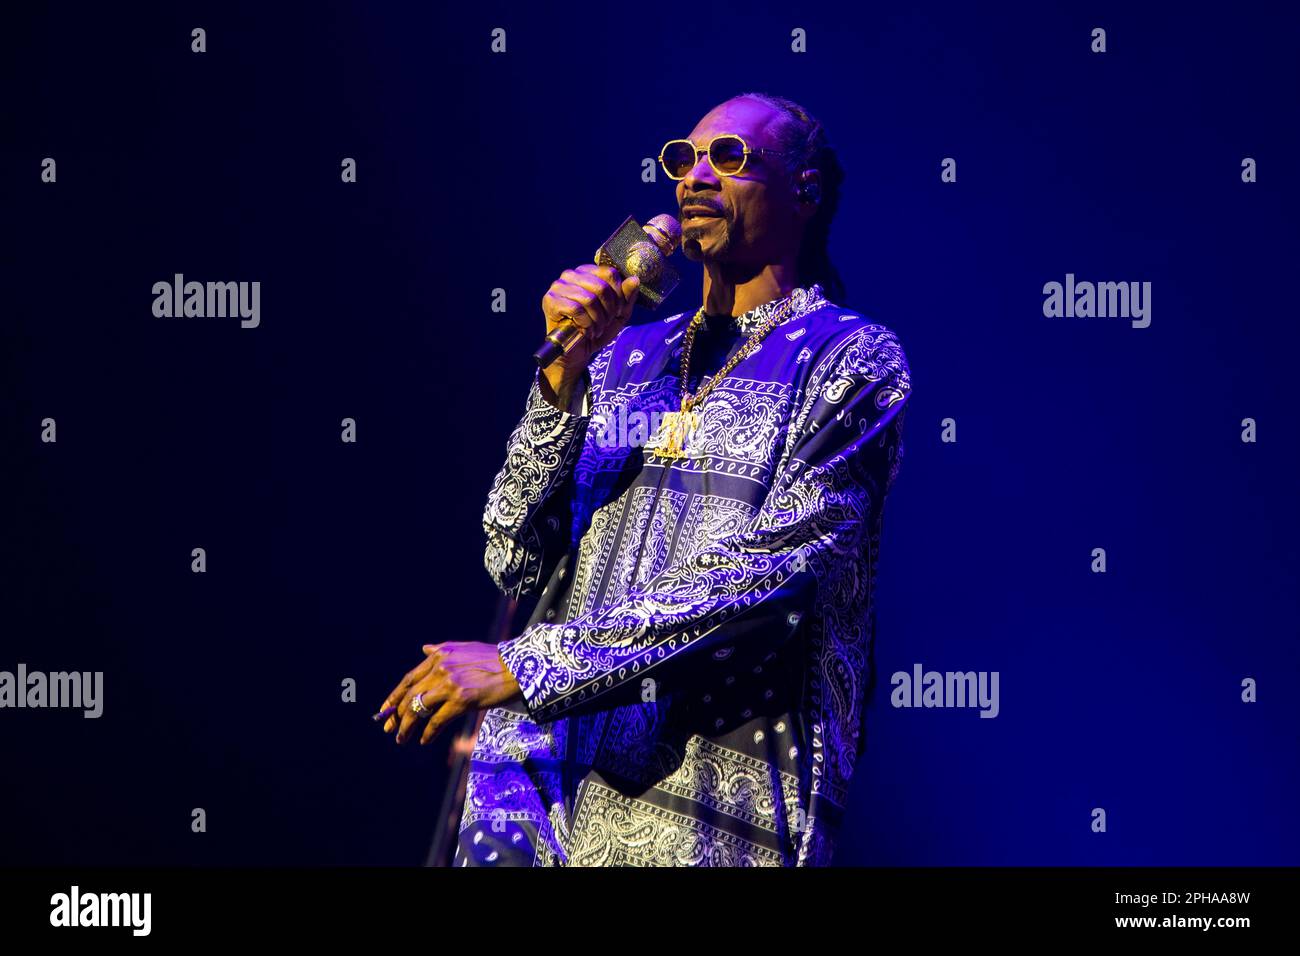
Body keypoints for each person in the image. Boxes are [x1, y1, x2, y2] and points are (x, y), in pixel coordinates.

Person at [378, 91, 912, 866]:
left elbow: (770, 583)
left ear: (805, 190)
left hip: (704, 803)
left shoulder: (848, 360)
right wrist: (562, 380)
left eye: (728, 157)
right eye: (682, 160)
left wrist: (526, 666)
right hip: (539, 788)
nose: (694, 177)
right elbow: (514, 554)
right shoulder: (624, 356)